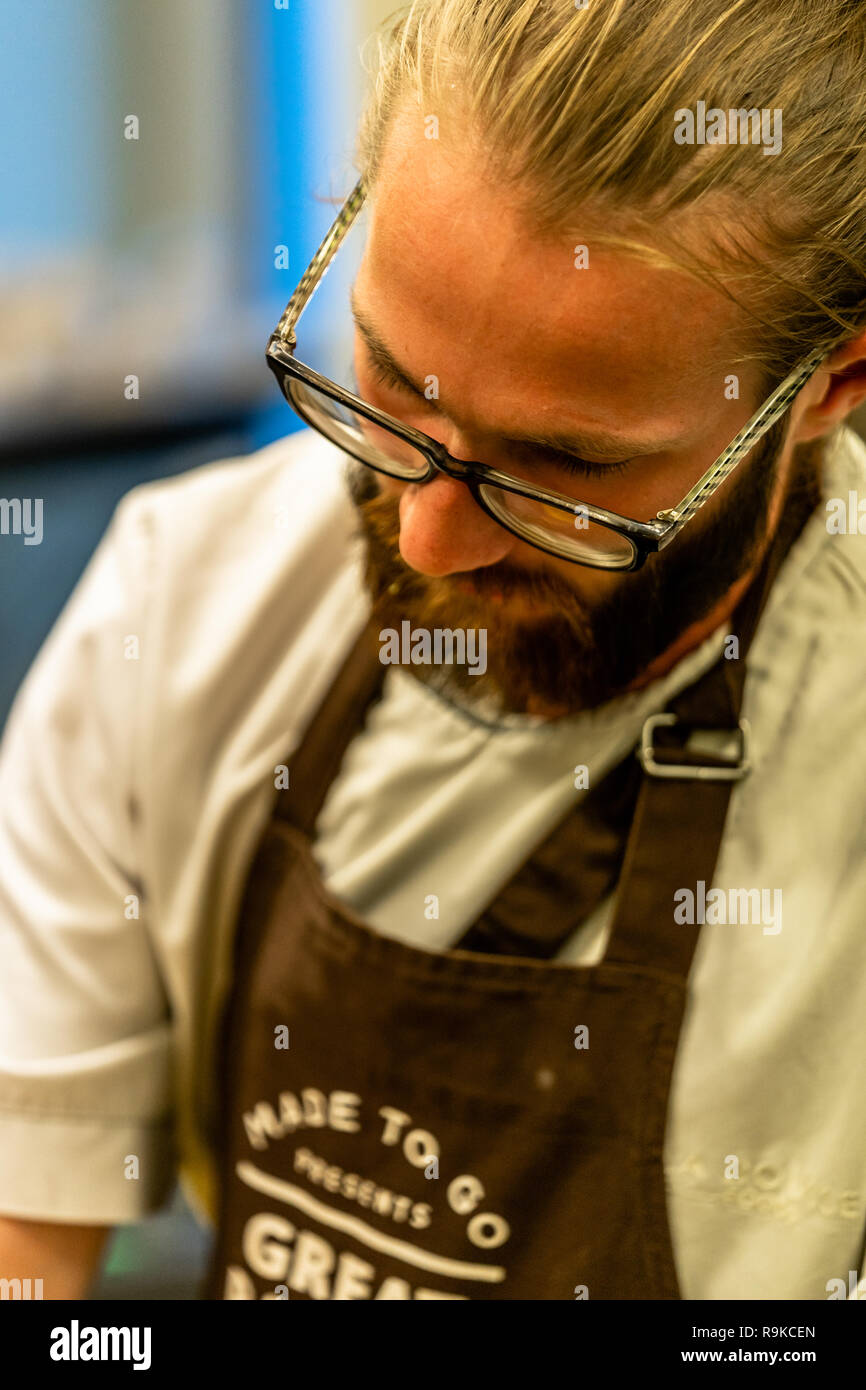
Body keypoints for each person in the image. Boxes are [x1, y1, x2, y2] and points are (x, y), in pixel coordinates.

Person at [1, 0, 865, 1301]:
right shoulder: (181, 601)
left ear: (831, 389)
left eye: (565, 466)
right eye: (392, 384)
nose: (429, 533)